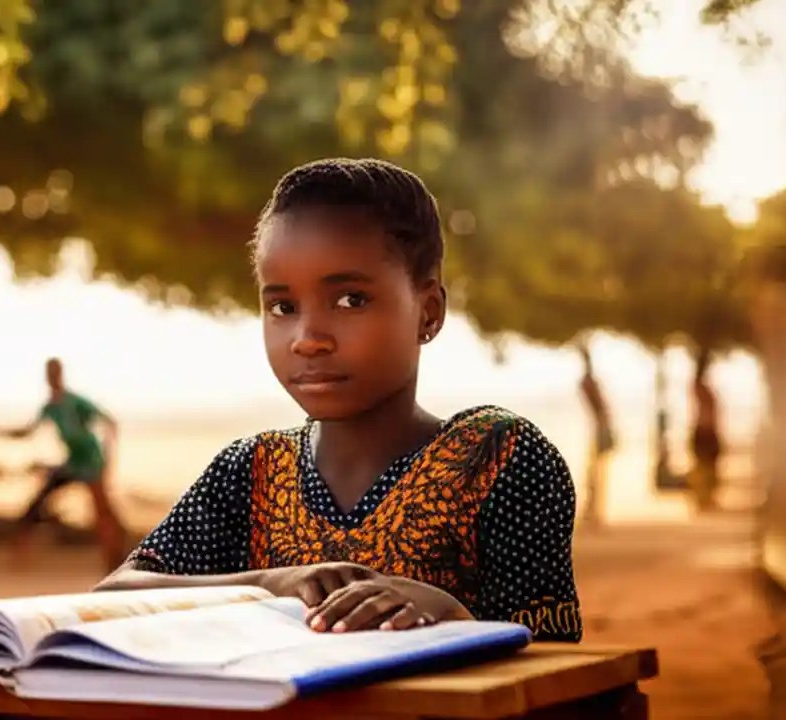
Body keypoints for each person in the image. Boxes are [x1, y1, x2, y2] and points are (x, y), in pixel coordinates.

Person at [95, 158, 582, 642]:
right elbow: (114, 598)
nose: (308, 339)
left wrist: (451, 616)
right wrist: (269, 584)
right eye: (282, 307)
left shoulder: (494, 460)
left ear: (428, 312)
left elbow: (558, 657)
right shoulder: (251, 474)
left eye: (350, 299)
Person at [0, 358, 127, 571]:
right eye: (49, 373)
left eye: (55, 372)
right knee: (36, 505)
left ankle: (115, 560)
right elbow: (26, 432)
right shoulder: (50, 407)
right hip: (72, 463)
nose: (52, 377)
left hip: (90, 462)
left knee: (103, 514)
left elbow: (110, 422)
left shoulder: (75, 401)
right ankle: (19, 557)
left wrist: (108, 457)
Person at [577, 344, 615, 526]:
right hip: (600, 427)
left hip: (599, 427)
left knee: (595, 470)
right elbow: (600, 407)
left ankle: (592, 509)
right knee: (597, 471)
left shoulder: (586, 382)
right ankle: (592, 510)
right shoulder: (588, 382)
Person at [689, 348, 723, 512]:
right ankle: (703, 500)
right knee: (705, 468)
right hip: (705, 431)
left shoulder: (700, 388)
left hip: (705, 430)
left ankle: (705, 499)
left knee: (706, 468)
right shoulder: (700, 388)